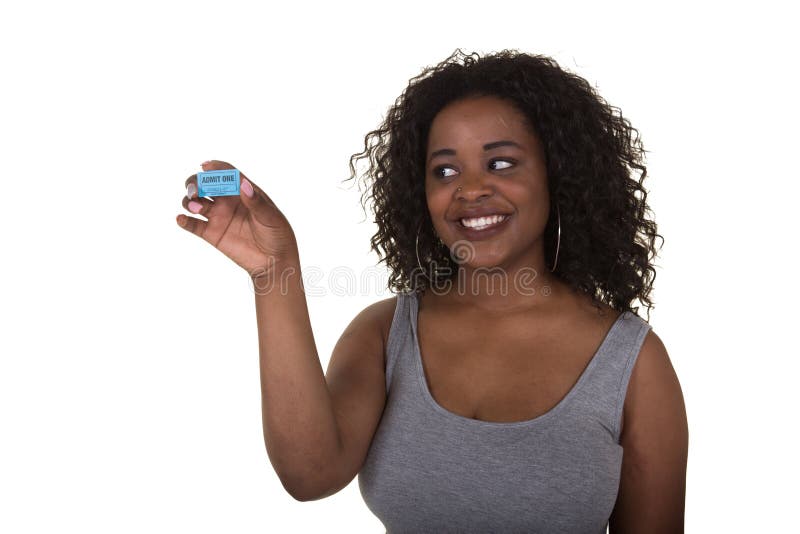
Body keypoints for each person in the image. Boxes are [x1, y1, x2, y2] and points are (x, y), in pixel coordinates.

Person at [176, 49, 688, 533]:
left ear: (558, 174)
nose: (469, 189)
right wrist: (273, 272)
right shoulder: (384, 333)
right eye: (445, 170)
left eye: (501, 163)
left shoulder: (632, 361)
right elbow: (310, 475)